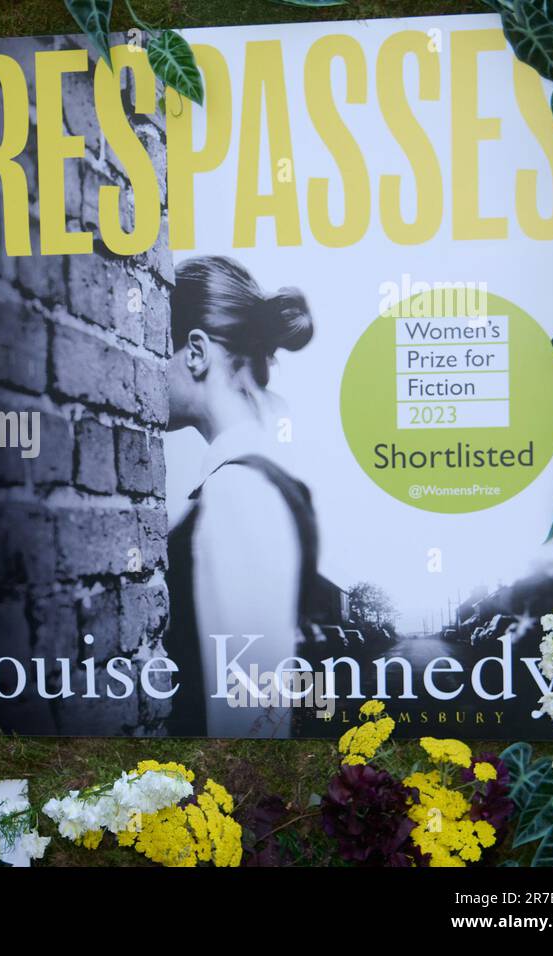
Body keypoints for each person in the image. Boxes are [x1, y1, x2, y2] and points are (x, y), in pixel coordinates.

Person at [162, 255, 319, 739]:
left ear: (195, 351)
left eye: (153, 349)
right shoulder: (250, 479)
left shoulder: (239, 492)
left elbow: (252, 721)